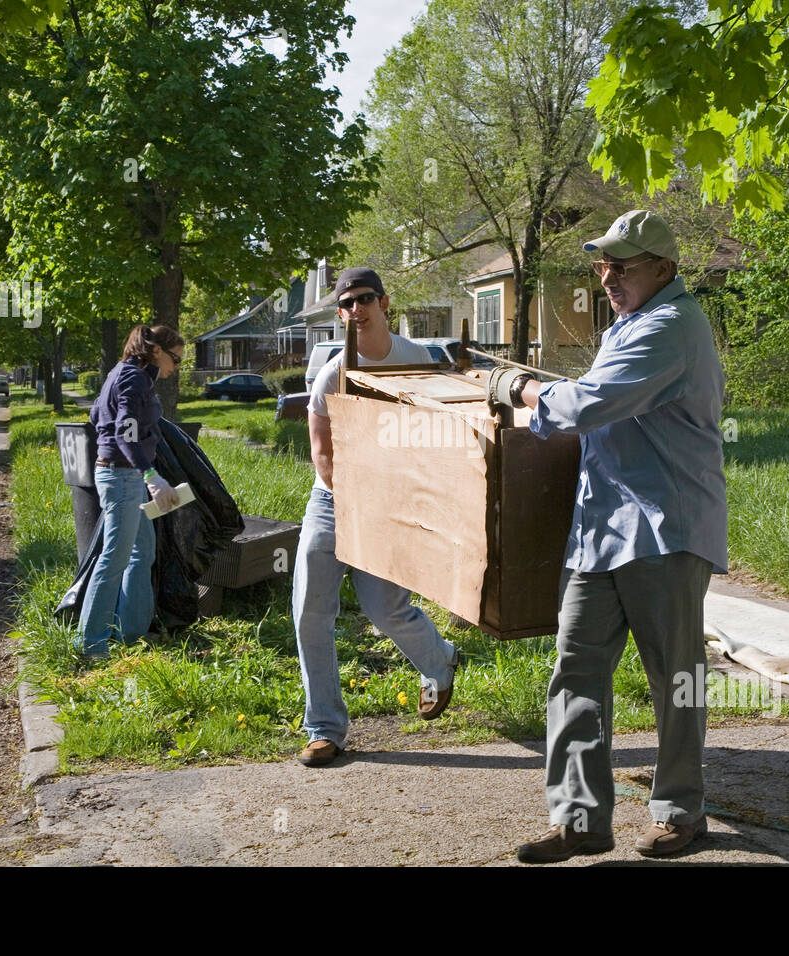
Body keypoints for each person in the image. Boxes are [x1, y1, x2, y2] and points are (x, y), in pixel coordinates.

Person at [488, 211, 728, 863]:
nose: (607, 277)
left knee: (675, 677)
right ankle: (580, 820)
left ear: (664, 270)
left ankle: (681, 812)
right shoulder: (630, 324)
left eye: (621, 265)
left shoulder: (672, 327)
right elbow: (595, 413)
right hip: (604, 529)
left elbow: (590, 404)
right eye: (602, 265)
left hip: (664, 526)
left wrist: (524, 387)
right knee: (575, 668)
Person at [293, 267, 461, 767]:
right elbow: (321, 454)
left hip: (393, 503)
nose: (355, 310)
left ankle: (439, 660)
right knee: (310, 613)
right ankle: (325, 728)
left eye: (364, 299)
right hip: (333, 502)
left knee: (384, 609)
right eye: (345, 304)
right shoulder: (332, 373)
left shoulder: (420, 361)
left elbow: (442, 435)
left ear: (384, 303)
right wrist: (353, 497)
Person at [76, 324, 185, 658]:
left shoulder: (121, 374)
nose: (177, 367)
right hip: (121, 477)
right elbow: (126, 433)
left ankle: (130, 634)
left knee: (142, 553)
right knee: (115, 559)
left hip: (124, 476)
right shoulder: (134, 378)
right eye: (176, 359)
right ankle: (90, 645)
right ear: (156, 351)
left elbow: (97, 417)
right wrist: (152, 476)